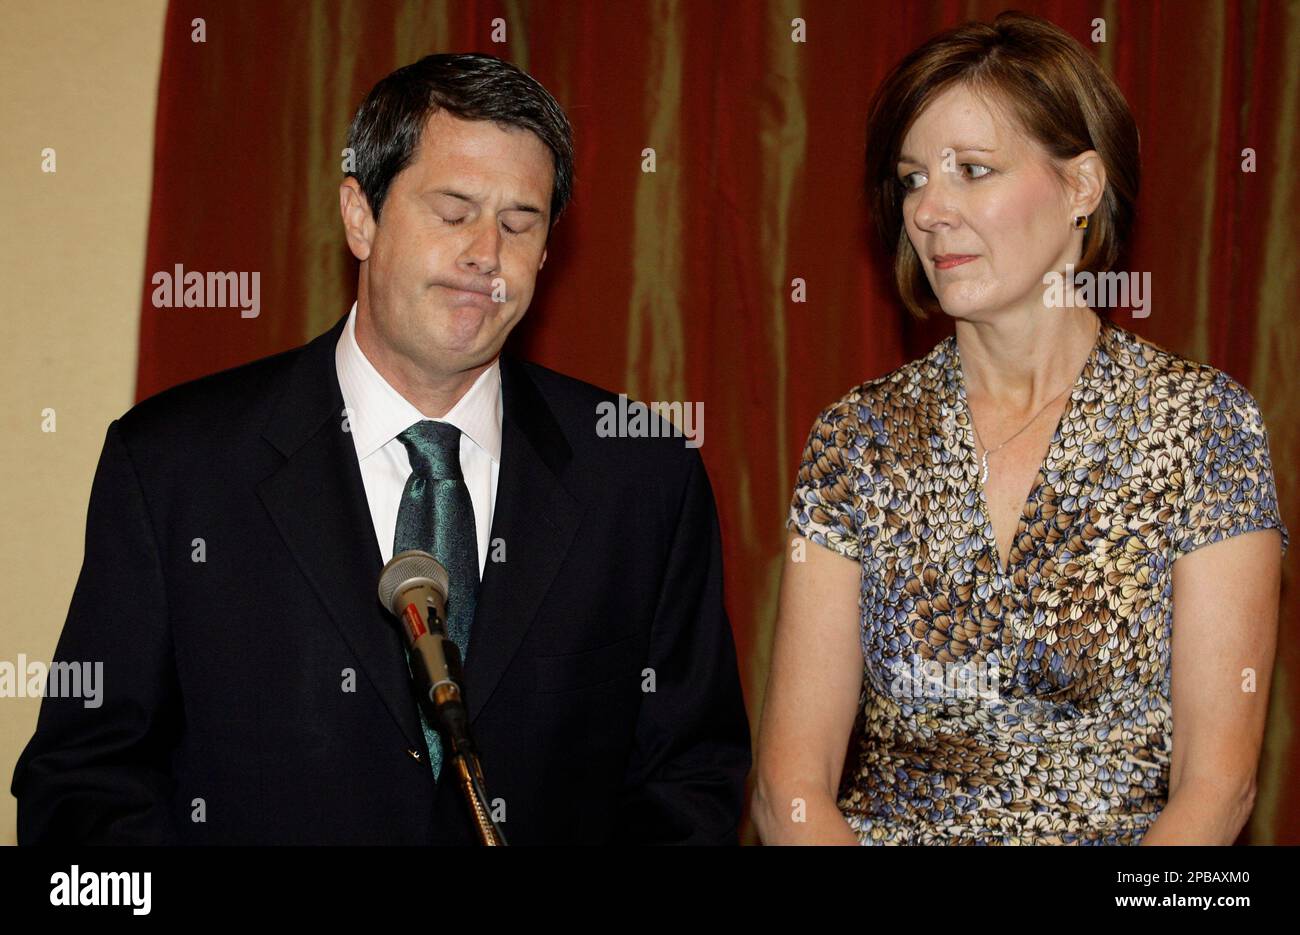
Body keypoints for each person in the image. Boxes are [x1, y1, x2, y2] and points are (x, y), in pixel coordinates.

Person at [13, 52, 750, 845]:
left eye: (519, 221)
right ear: (360, 215)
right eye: (453, 209)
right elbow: (83, 788)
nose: (485, 253)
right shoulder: (174, 465)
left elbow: (690, 782)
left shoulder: (642, 477)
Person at [752, 12, 1285, 845]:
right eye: (914, 178)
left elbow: (1218, 791)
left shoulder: (1203, 426)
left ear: (1081, 187)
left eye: (972, 170)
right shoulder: (856, 439)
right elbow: (789, 787)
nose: (930, 210)